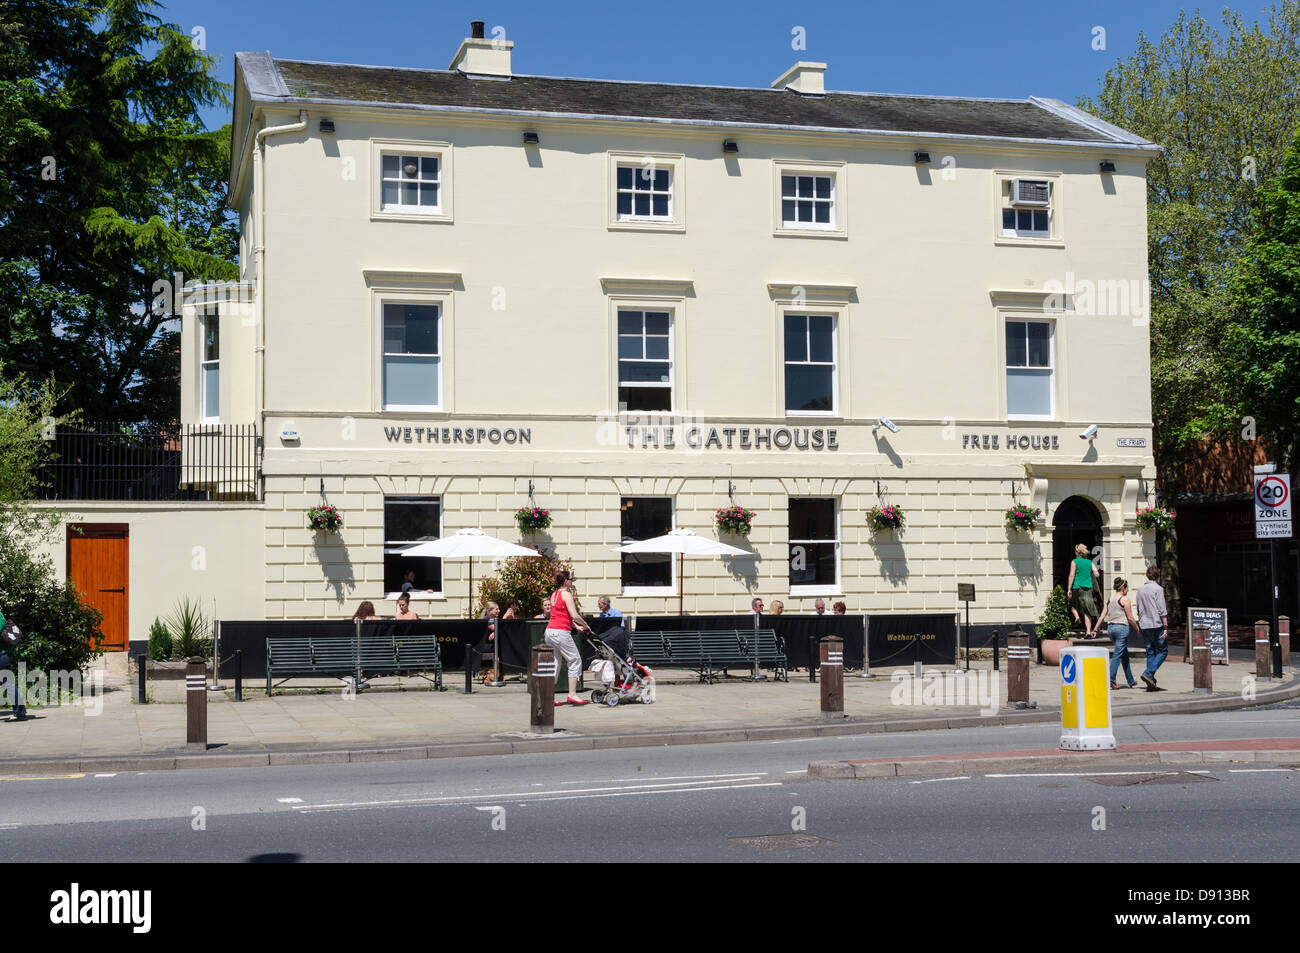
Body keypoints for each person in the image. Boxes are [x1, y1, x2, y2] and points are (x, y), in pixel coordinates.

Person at [546, 571, 592, 705]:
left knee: (555, 663)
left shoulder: (554, 594)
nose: (572, 581)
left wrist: (576, 627)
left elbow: (561, 614)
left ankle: (549, 696)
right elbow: (574, 615)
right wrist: (585, 624)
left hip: (550, 631)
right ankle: (572, 694)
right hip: (560, 632)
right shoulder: (566, 594)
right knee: (575, 659)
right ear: (565, 580)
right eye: (571, 579)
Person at [1094, 577, 1139, 689]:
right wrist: (1138, 629)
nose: (1128, 590)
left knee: (1124, 655)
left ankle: (1131, 680)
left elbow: (1103, 616)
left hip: (1111, 628)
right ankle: (1111, 679)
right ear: (1123, 588)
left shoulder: (1109, 599)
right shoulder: (1125, 599)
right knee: (1117, 656)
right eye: (1127, 588)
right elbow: (1130, 618)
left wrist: (1095, 629)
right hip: (1121, 629)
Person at [1136, 566, 1169, 691]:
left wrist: (1140, 624)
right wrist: (1165, 627)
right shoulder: (1158, 589)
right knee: (1163, 651)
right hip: (1156, 624)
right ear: (1157, 577)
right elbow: (1162, 610)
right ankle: (1149, 673)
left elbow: (1139, 609)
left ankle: (1151, 682)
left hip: (1144, 624)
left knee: (1150, 652)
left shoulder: (1140, 590)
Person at [1067, 543, 1101, 634]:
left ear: (1077, 552)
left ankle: (1077, 618)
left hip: (1077, 587)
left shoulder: (1074, 561)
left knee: (1072, 604)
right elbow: (1097, 574)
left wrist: (1069, 589)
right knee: (1087, 610)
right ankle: (1088, 632)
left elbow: (1071, 575)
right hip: (1088, 588)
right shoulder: (1089, 562)